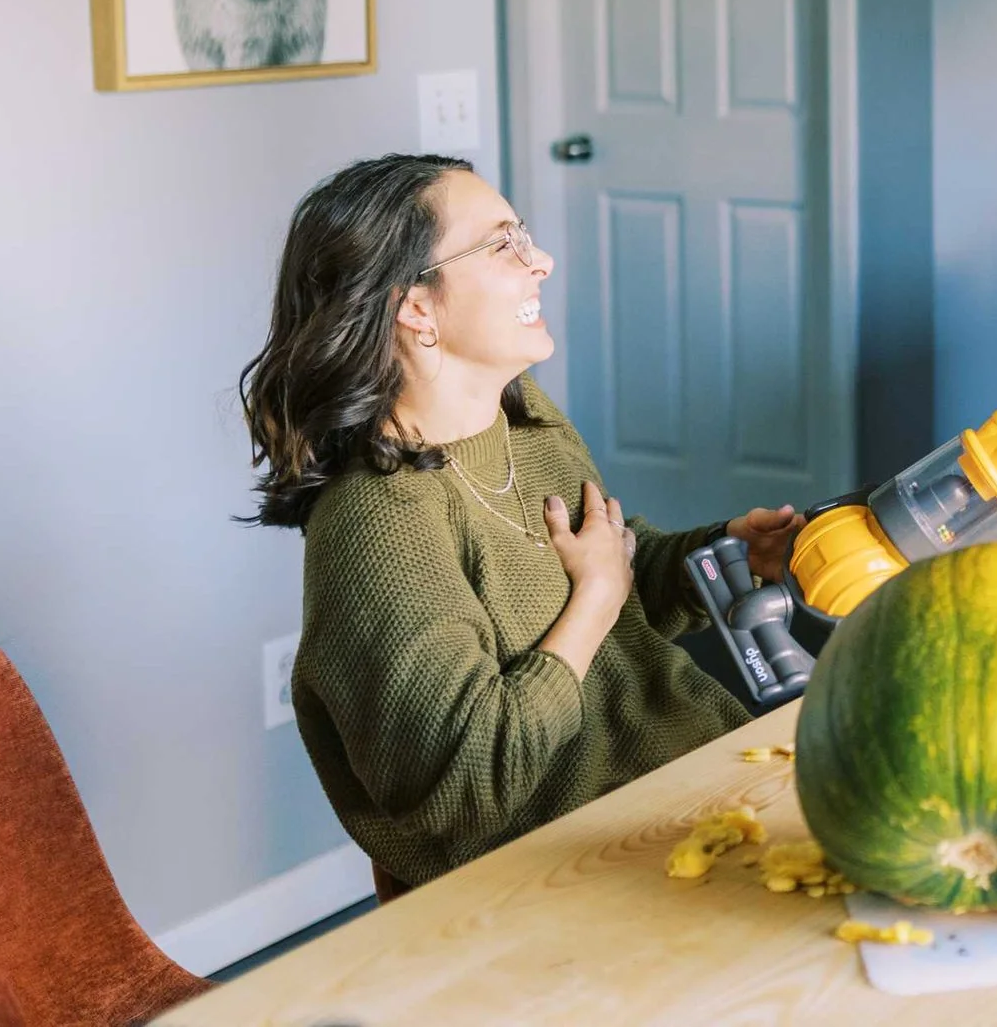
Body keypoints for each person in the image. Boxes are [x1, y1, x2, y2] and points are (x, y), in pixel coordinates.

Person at [242, 154, 805, 887]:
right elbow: (468, 782)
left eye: (525, 235)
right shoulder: (376, 522)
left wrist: (725, 553)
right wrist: (594, 600)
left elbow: (615, 586)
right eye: (502, 244)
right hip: (571, 871)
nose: (541, 260)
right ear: (414, 305)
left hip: (700, 785)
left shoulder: (524, 422)